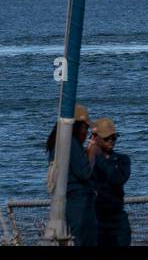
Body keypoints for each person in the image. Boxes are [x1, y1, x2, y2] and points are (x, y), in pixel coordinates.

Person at [45, 104, 98, 246]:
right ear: (78, 126)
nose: (86, 133)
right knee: (83, 239)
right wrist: (91, 153)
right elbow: (84, 172)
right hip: (78, 202)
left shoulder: (58, 143)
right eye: (85, 128)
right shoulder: (71, 143)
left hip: (67, 200)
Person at [89, 117, 131, 246]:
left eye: (114, 137)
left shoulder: (122, 159)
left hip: (117, 217)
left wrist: (100, 157)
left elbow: (117, 179)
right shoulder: (87, 159)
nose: (111, 141)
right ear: (95, 138)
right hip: (96, 217)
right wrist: (90, 155)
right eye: (107, 138)